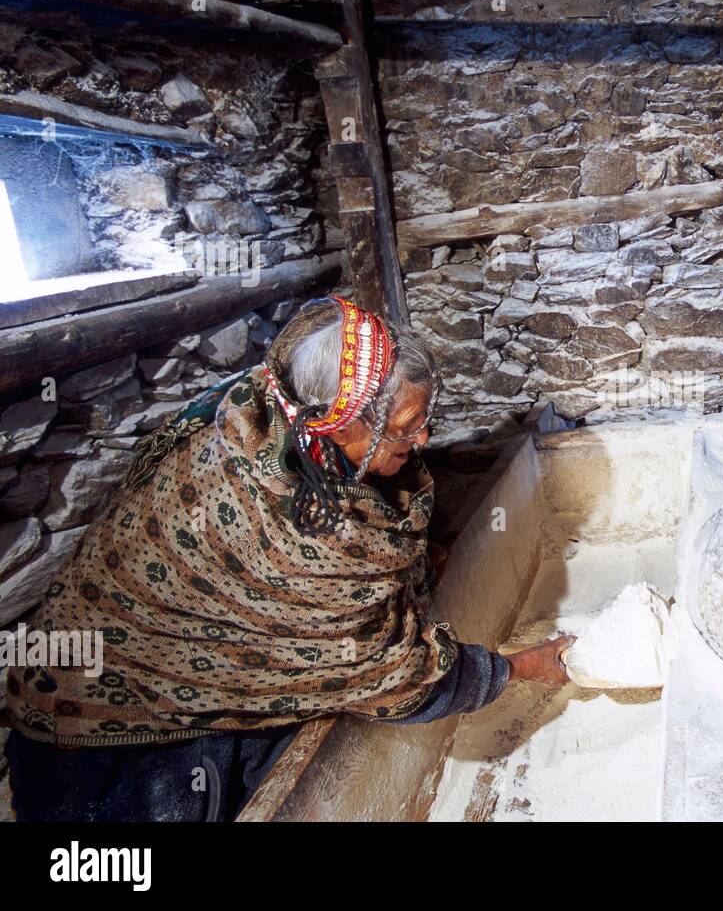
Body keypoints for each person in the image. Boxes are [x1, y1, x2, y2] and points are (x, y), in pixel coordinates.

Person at [3, 296, 570, 821]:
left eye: (424, 420)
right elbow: (396, 678)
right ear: (342, 421)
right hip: (106, 745)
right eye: (404, 429)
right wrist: (517, 668)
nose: (422, 439)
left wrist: (417, 571)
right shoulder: (296, 535)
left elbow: (383, 533)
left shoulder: (273, 400)